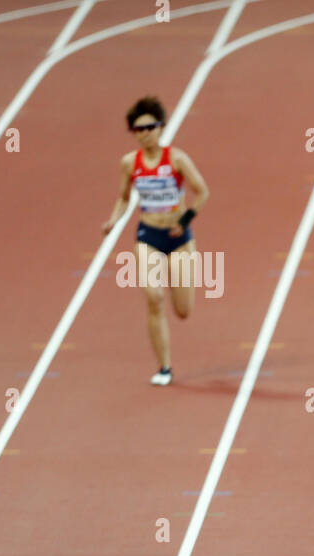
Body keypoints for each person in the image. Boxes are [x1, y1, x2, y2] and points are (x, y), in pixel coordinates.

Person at [102, 96, 210, 385]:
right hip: (148, 235)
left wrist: (184, 222)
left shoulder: (176, 159)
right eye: (138, 130)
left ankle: (167, 358)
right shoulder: (129, 163)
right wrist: (114, 220)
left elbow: (202, 192)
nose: (145, 133)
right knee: (154, 298)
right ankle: (164, 367)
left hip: (178, 238)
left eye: (150, 127)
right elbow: (124, 198)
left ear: (161, 128)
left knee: (183, 311)